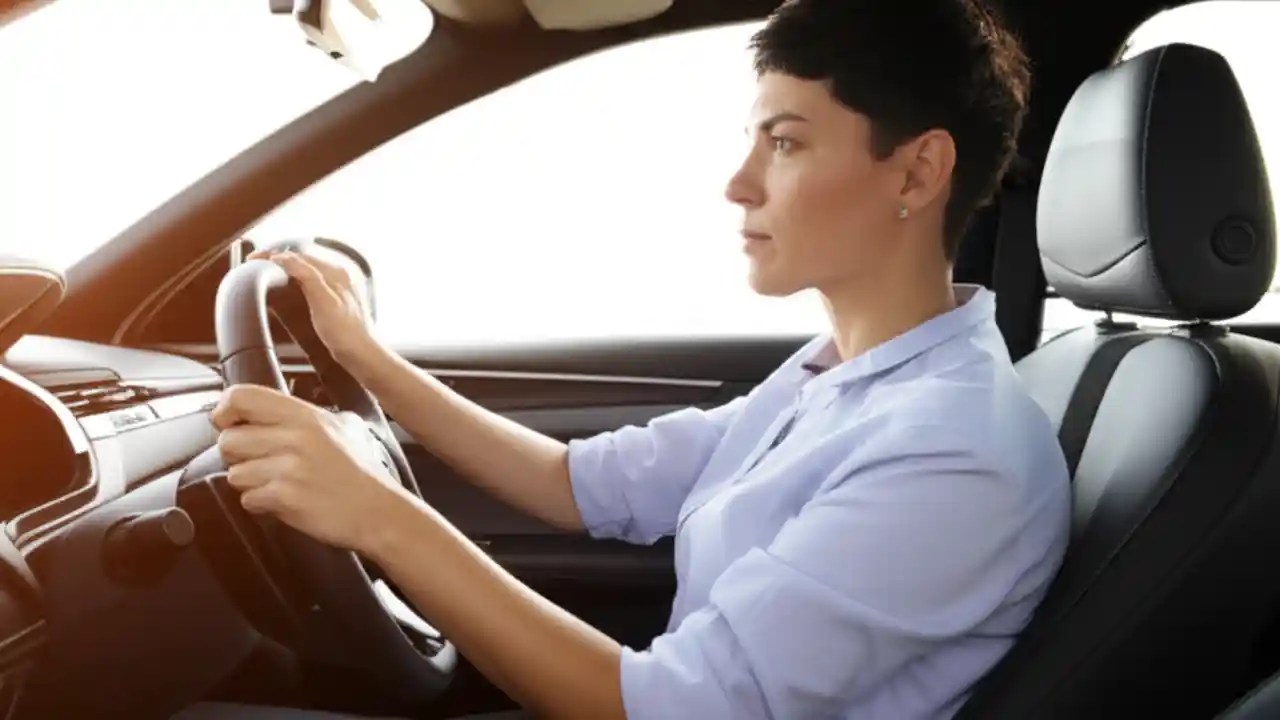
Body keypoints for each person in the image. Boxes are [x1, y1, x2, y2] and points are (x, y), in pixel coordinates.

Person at [185, 0, 1070, 717]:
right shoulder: (846, 376)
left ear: (915, 175)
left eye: (788, 142)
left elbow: (663, 709)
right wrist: (365, 358)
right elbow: (577, 484)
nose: (740, 182)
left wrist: (376, 515)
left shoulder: (953, 450)